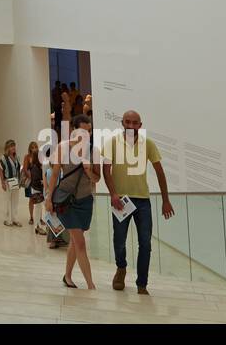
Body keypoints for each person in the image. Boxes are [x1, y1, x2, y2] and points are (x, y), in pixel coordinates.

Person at [103, 109, 174, 296]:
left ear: (140, 125)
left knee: (146, 244)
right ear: (122, 123)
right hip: (121, 201)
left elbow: (160, 172)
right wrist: (113, 194)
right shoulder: (112, 143)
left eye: (135, 123)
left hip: (143, 201)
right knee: (119, 241)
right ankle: (121, 268)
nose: (131, 126)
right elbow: (106, 170)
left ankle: (142, 283)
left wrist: (166, 200)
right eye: (127, 122)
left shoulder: (148, 144)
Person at [45, 113, 100, 289]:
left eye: (89, 131)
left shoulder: (93, 151)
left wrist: (89, 169)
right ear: (73, 131)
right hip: (66, 200)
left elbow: (97, 179)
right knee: (80, 242)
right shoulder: (62, 148)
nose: (86, 135)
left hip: (85, 200)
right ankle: (91, 284)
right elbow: (54, 175)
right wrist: (48, 198)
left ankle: (67, 277)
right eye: (83, 131)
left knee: (76, 241)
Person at [22, 143, 45, 233]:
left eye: (35, 147)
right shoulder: (27, 157)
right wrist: (30, 176)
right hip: (30, 182)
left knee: (39, 200)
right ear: (30, 149)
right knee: (32, 200)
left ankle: (39, 218)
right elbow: (25, 168)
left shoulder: (39, 157)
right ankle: (32, 217)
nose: (34, 149)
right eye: (32, 147)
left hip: (38, 182)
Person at [0, 140, 22, 226]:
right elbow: (0, 170)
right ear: (7, 148)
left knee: (15, 200)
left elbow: (19, 170)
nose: (14, 148)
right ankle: (8, 219)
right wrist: (2, 183)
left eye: (14, 146)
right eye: (12, 146)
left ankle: (14, 218)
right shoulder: (3, 158)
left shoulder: (17, 157)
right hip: (7, 181)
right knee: (7, 200)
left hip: (15, 181)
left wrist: (20, 181)